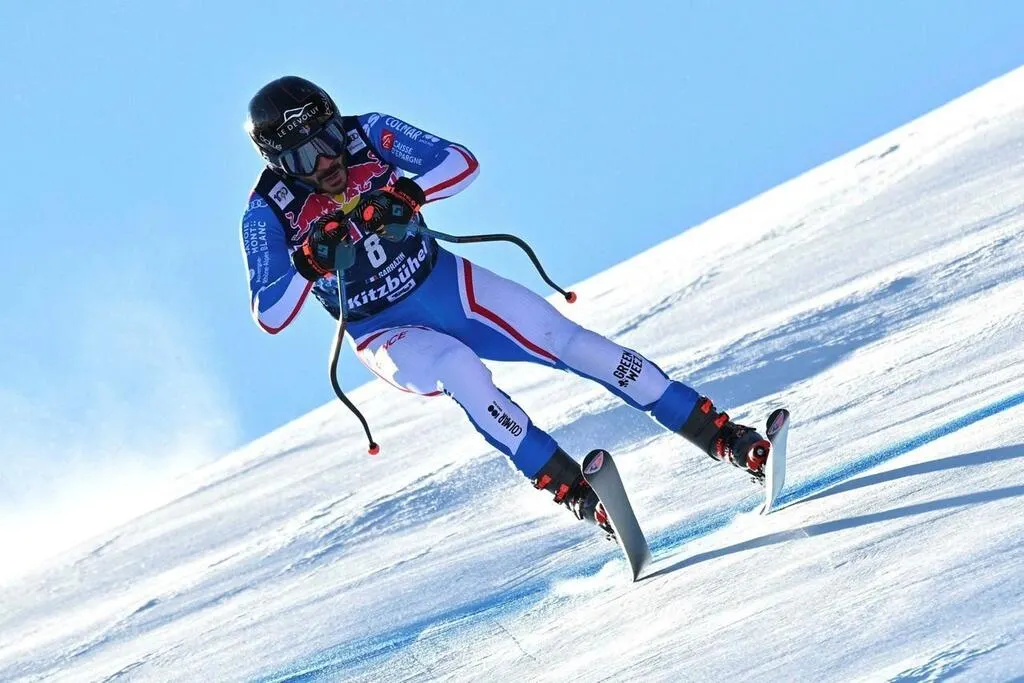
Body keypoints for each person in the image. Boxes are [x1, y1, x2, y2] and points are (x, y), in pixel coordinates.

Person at [240, 76, 771, 538]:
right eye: (303, 158)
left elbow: (459, 162)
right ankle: (577, 493)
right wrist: (308, 262)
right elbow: (270, 313)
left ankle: (724, 436)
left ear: (338, 121)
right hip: (385, 332)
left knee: (577, 345)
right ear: (277, 164)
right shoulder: (268, 208)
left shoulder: (368, 132)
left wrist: (408, 194)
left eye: (328, 139)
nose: (327, 161)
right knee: (458, 368)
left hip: (446, 284)